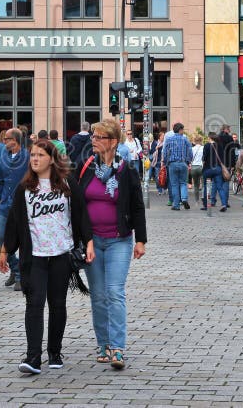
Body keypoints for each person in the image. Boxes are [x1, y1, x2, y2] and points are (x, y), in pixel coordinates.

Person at [2, 139, 94, 375]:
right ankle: (33, 357)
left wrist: (89, 242)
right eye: (32, 155)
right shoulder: (24, 188)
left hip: (61, 254)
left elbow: (81, 213)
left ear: (52, 159)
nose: (34, 159)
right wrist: (5, 251)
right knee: (34, 304)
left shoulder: (67, 183)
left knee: (57, 304)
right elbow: (14, 221)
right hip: (34, 257)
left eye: (40, 155)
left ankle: (55, 351)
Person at [78, 118, 147, 370]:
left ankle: (118, 348)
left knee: (114, 292)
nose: (93, 140)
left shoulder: (126, 170)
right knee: (98, 295)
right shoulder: (85, 167)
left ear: (113, 142)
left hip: (119, 240)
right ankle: (104, 345)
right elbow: (78, 203)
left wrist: (141, 239)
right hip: (92, 241)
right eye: (93, 136)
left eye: (99, 137)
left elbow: (137, 206)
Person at [0, 128, 30, 291]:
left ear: (16, 140)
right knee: (0, 239)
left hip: (23, 206)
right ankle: (16, 269)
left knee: (23, 242)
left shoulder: (28, 157)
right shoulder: (4, 157)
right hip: (5, 205)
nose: (4, 141)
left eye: (7, 139)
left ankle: (20, 276)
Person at [163, 123, 192, 210]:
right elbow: (190, 151)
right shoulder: (185, 139)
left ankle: (176, 205)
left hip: (172, 164)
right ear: (180, 130)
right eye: (182, 130)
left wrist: (165, 162)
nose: (183, 131)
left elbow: (165, 152)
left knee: (174, 184)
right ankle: (184, 199)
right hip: (183, 163)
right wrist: (188, 161)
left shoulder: (168, 139)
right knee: (183, 183)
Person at [202, 132, 229, 211]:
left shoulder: (207, 146)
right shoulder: (220, 146)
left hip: (208, 169)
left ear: (210, 138)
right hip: (217, 169)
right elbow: (223, 158)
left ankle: (206, 205)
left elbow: (204, 158)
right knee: (220, 187)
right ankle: (224, 204)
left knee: (206, 187)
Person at [189, 134, 204, 205]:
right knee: (204, 184)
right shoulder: (203, 148)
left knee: (195, 185)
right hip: (201, 167)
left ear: (194, 141)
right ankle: (203, 197)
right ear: (201, 140)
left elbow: (190, 159)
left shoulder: (192, 149)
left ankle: (196, 201)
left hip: (193, 167)